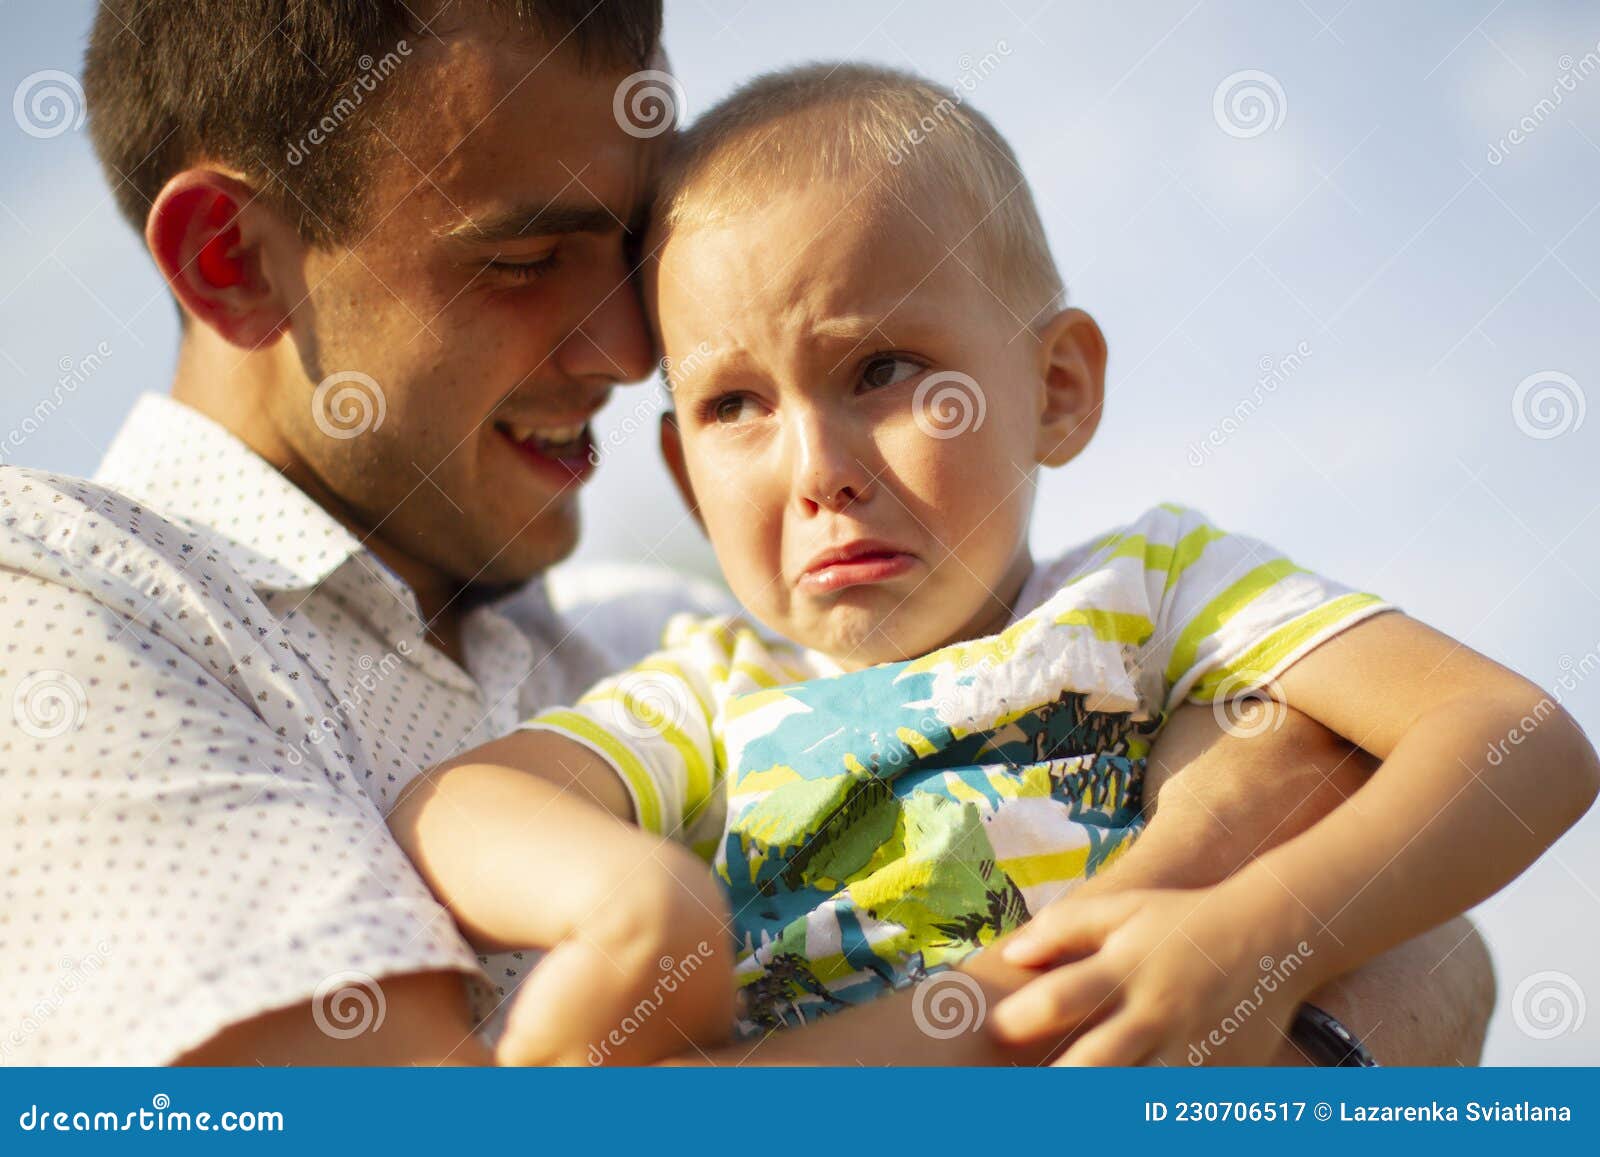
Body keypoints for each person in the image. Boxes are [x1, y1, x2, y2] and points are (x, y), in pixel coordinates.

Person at [0, 2, 1494, 1066]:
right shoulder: (63, 612)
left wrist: (1242, 870)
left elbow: (1391, 843)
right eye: (524, 260)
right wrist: (1252, 1014)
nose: (627, 345)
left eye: (631, 263)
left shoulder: (669, 644)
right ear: (229, 260)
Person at [391, 63, 1597, 1066]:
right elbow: (463, 801)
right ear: (681, 476)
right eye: (735, 405)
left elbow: (1513, 734)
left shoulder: (1152, 586)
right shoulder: (709, 690)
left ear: (1056, 390)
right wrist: (630, 905)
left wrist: (1254, 930)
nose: (818, 468)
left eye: (883, 369)